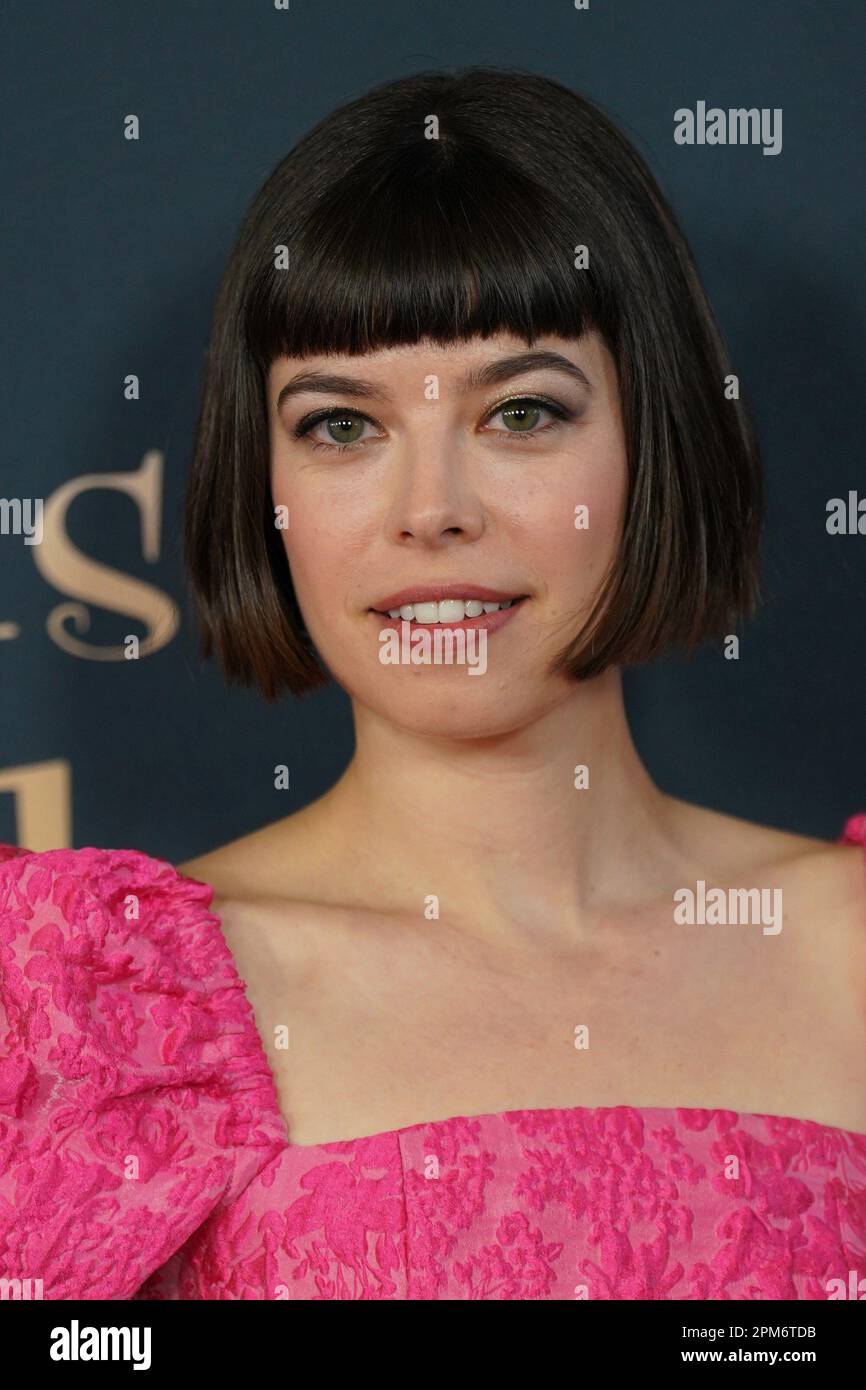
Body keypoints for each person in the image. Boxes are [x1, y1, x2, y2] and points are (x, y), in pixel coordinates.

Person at [2, 67, 864, 1302]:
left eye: (519, 412)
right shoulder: (94, 1010)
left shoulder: (849, 946)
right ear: (264, 484)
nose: (431, 513)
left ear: (655, 440)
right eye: (341, 427)